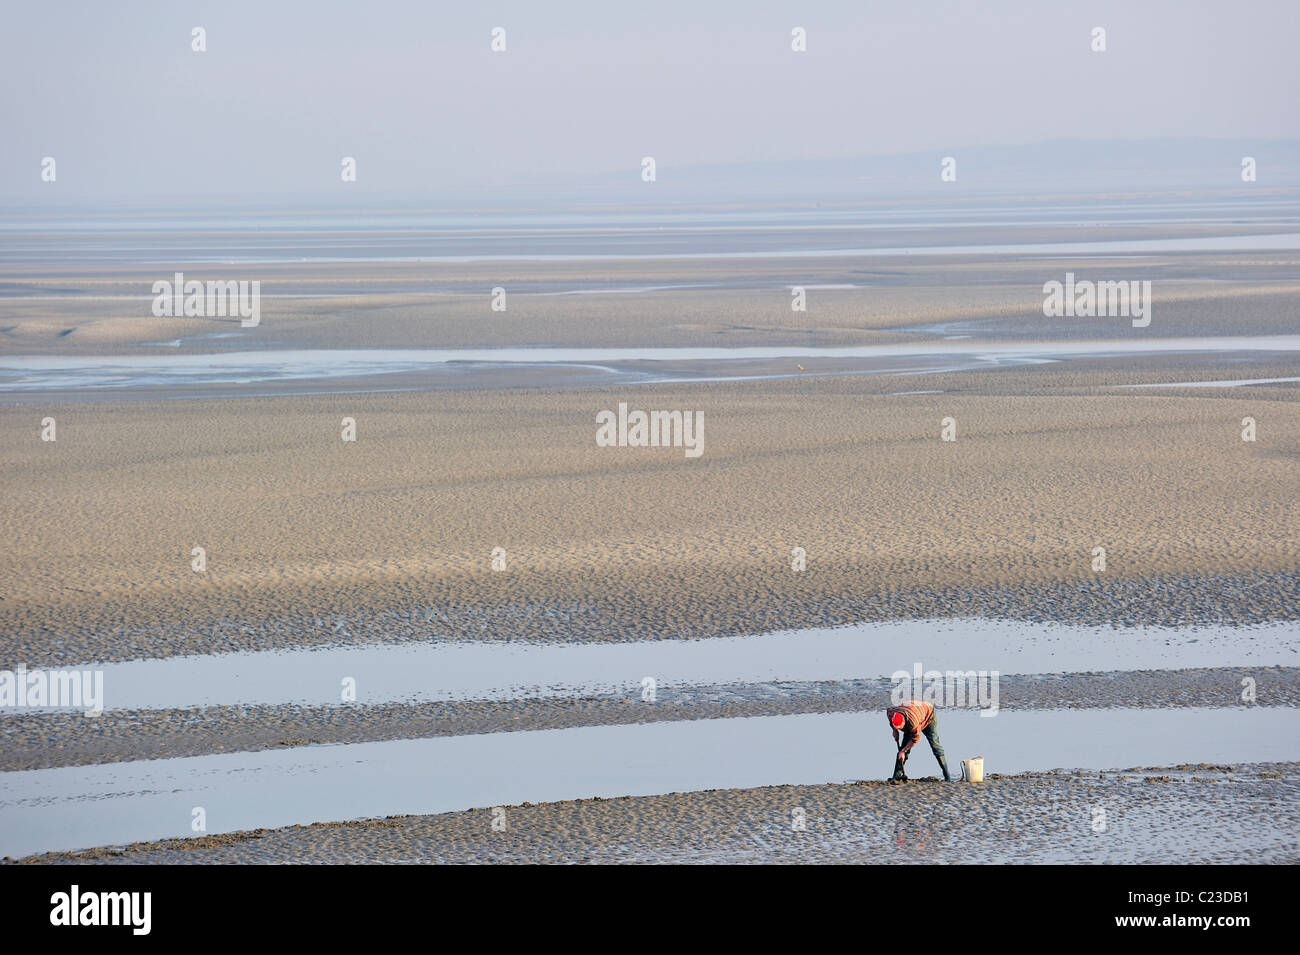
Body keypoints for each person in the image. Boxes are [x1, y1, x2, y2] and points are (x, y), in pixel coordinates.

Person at [887, 700, 951, 781]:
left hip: (928, 714)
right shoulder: (891, 714)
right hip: (913, 710)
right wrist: (894, 730)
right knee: (904, 747)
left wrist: (903, 751)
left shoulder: (913, 723)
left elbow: (916, 739)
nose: (900, 730)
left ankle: (947, 776)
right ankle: (896, 776)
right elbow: (892, 720)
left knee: (935, 745)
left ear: (904, 722)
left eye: (900, 728)